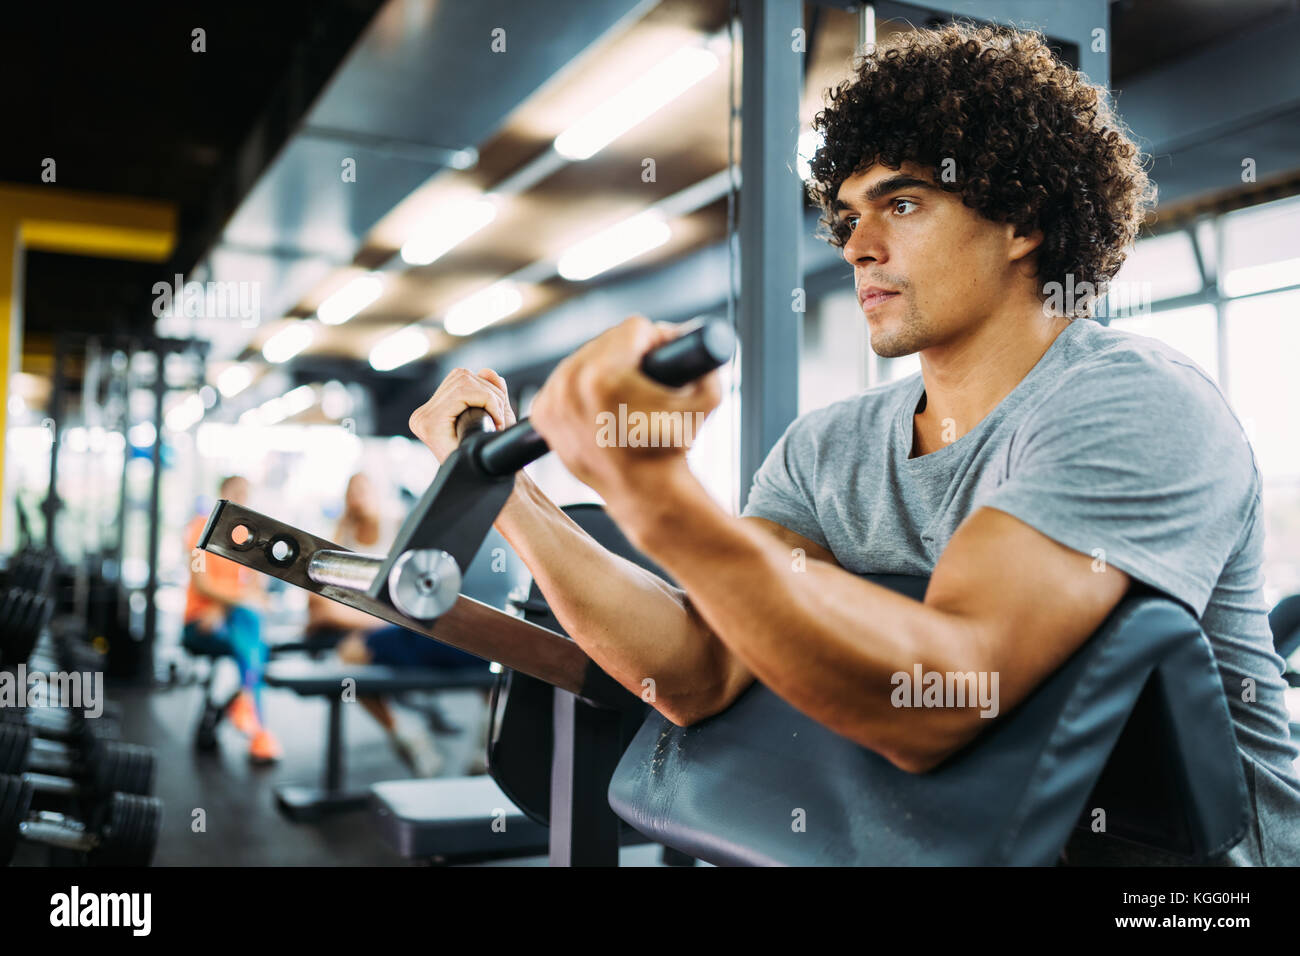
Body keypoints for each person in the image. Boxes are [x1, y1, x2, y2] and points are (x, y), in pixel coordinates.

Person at [408, 23, 1300, 866]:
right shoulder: (826, 448)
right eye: (846, 215)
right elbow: (695, 672)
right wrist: (502, 493)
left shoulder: (1132, 405)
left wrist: (654, 493)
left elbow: (948, 698)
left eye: (901, 203)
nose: (857, 246)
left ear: (1023, 221)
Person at [307, 472, 486, 776]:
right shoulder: (341, 534)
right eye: (352, 491)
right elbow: (320, 604)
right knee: (347, 661)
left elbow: (409, 599)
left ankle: (485, 748)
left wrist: (358, 616)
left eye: (364, 489)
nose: (358, 497)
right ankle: (408, 737)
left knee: (488, 655)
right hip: (377, 628)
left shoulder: (400, 527)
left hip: (406, 623)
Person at [183, 475, 282, 763]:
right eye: (235, 492)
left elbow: (254, 588)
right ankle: (255, 723)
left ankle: (245, 705)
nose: (241, 499)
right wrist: (226, 605)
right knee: (252, 640)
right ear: (221, 493)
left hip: (231, 621)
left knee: (248, 629)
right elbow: (202, 583)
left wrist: (227, 607)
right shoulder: (198, 529)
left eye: (245, 494)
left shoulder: (247, 539)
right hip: (199, 623)